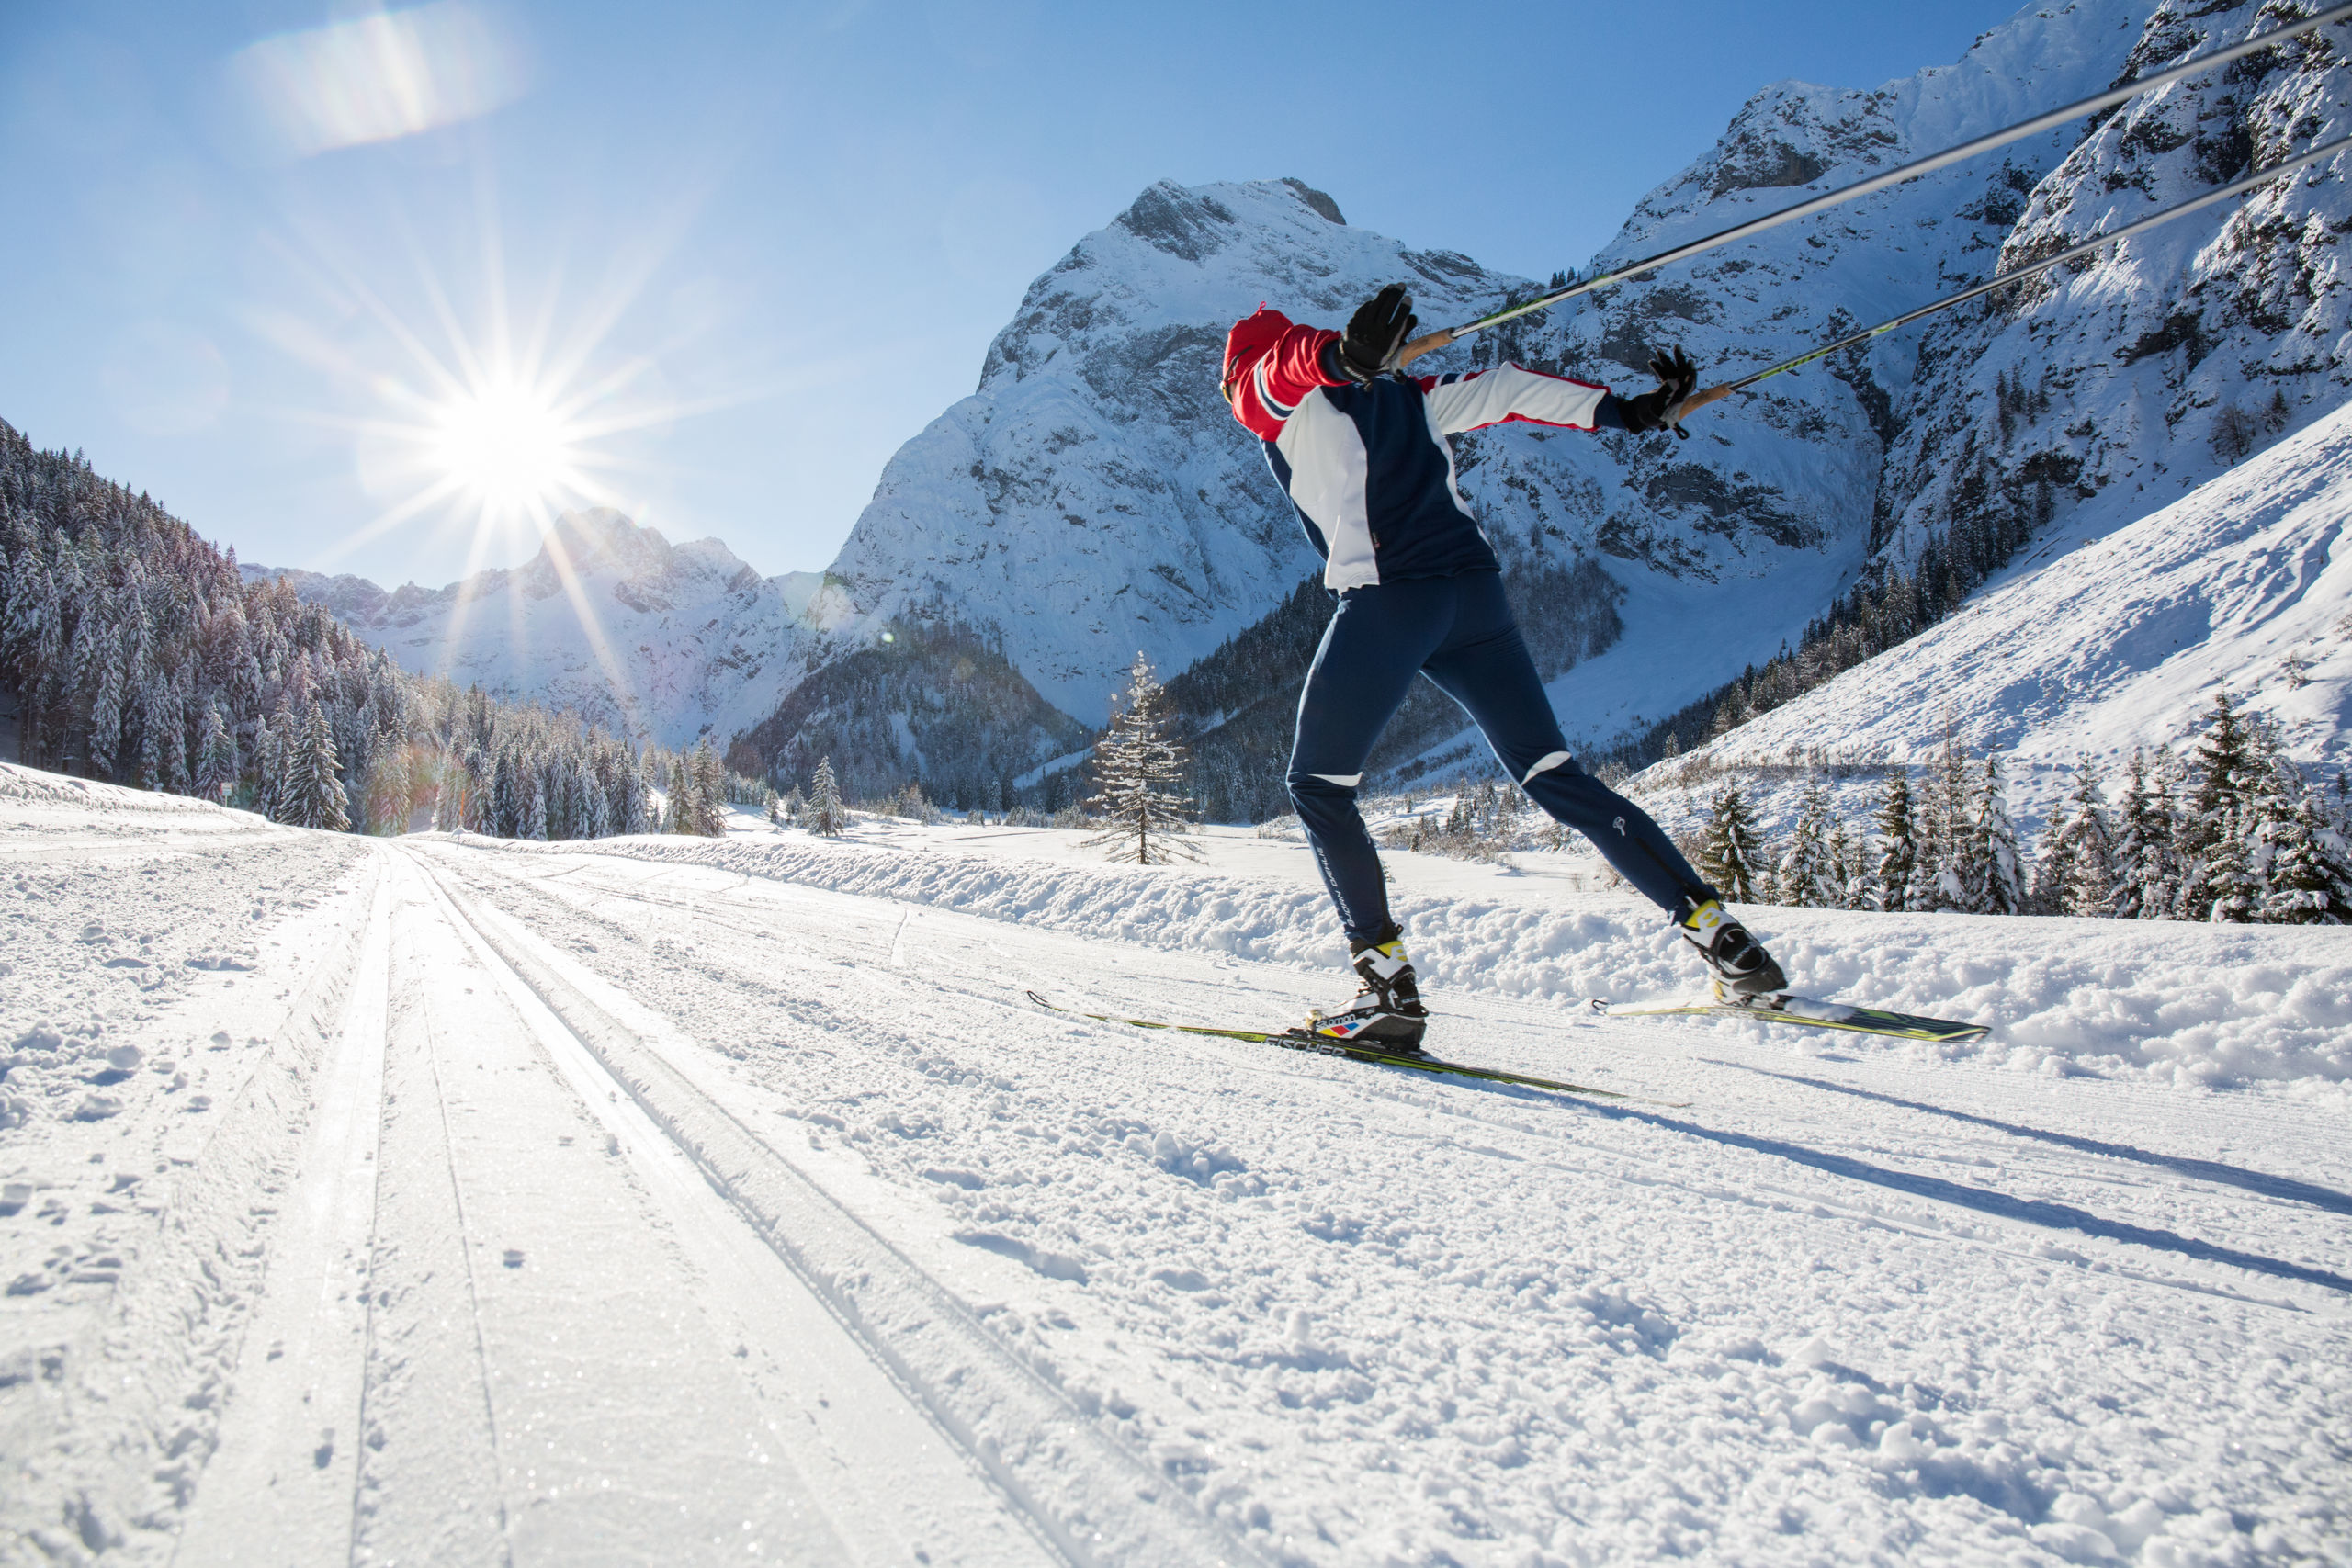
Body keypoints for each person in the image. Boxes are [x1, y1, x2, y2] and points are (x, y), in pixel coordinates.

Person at [1220, 284, 1787, 1051]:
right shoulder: (1410, 393)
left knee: (1317, 787)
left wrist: (1331, 358)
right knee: (1557, 775)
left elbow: (1274, 375)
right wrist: (1632, 411)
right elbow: (1507, 391)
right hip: (1477, 599)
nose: (1236, 394)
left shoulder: (1276, 394)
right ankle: (1723, 939)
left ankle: (1387, 990)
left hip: (1393, 600)